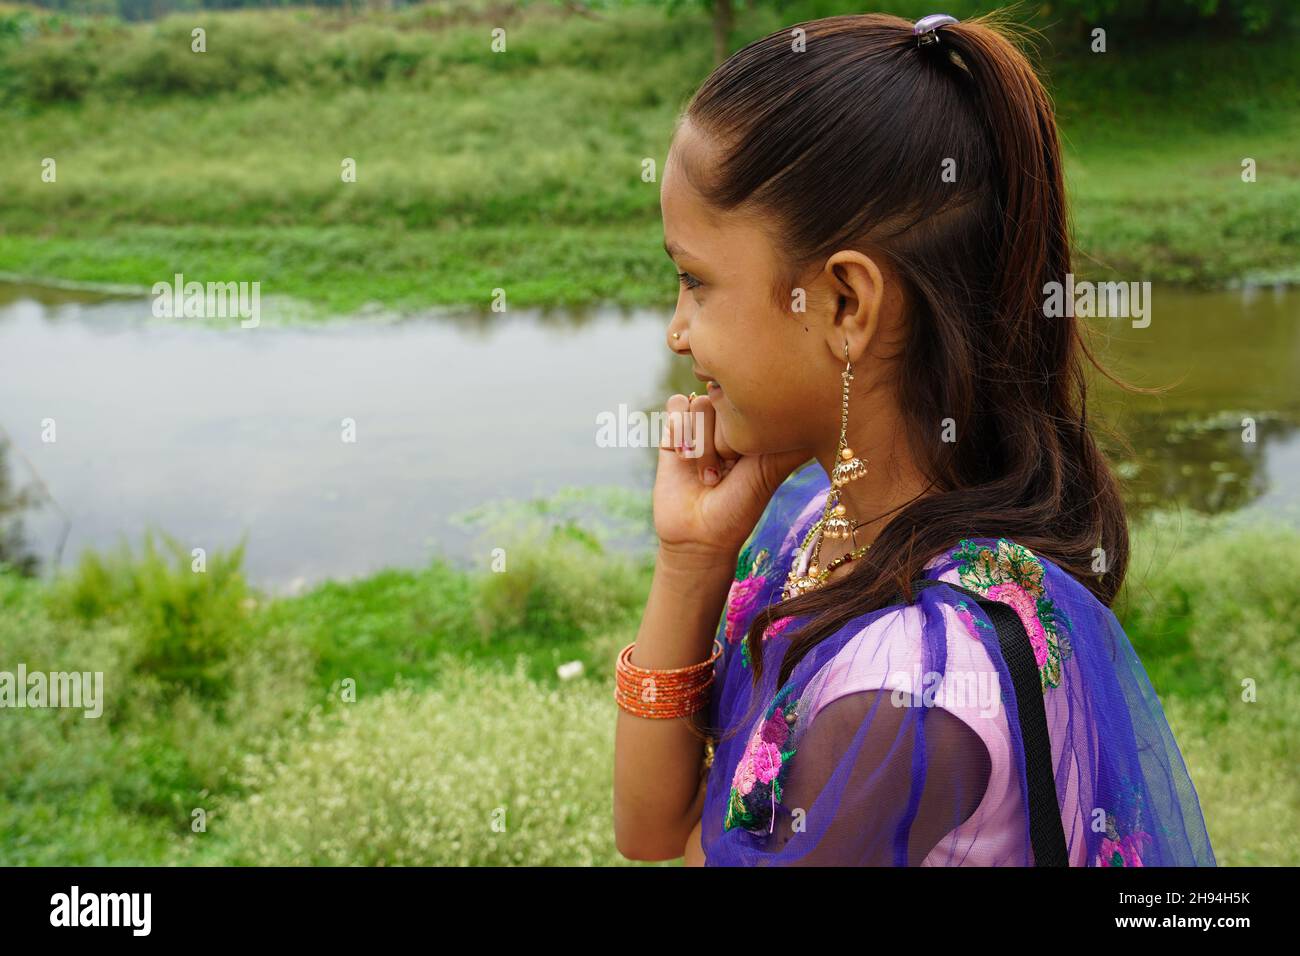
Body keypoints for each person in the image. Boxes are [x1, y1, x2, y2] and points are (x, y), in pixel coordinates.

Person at [611, 11, 1216, 866]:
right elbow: (653, 831)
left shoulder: (907, 690)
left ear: (846, 305)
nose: (678, 331)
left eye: (695, 281)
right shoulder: (824, 520)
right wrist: (692, 558)